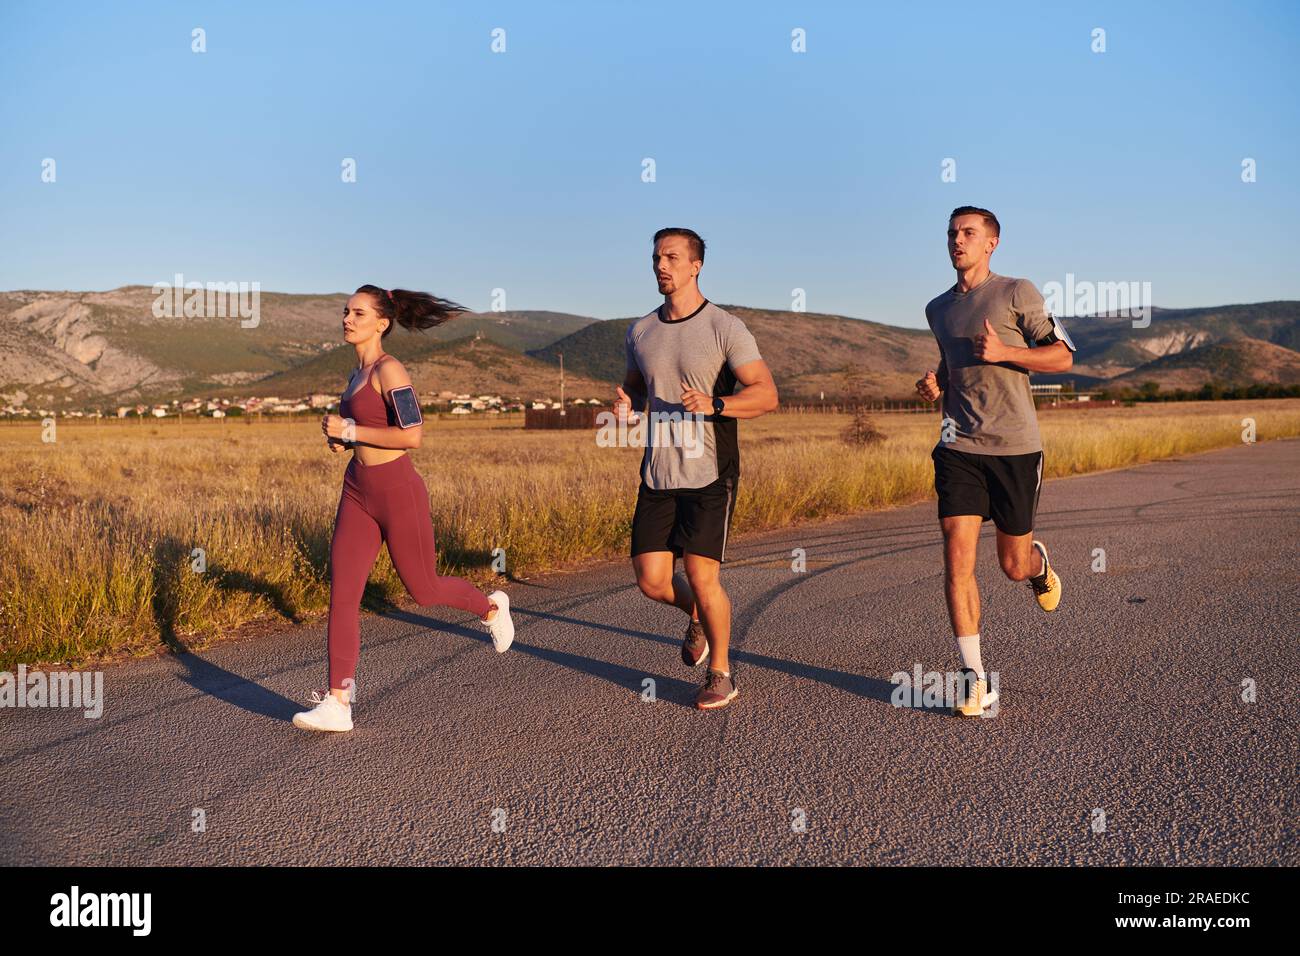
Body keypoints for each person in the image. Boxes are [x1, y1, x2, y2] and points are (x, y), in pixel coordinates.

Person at [293, 285, 514, 733]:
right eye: (345, 311)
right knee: (344, 592)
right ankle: (339, 702)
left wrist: (351, 429)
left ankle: (490, 607)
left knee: (424, 589)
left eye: (358, 313)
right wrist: (339, 439)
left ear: (382, 322)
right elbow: (360, 434)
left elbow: (412, 435)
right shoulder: (354, 377)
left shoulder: (389, 370)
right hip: (357, 490)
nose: (347, 319)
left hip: (397, 491)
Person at [915, 207, 1076, 717]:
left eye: (968, 234)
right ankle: (974, 677)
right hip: (958, 447)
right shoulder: (937, 308)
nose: (957, 241)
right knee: (956, 555)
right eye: (952, 233)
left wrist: (1007, 352)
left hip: (1015, 449)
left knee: (1011, 564)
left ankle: (1038, 567)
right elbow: (952, 361)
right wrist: (936, 382)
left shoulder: (1016, 292)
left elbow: (1062, 357)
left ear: (992, 244)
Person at [616, 229, 779, 710]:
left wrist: (717, 403)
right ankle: (698, 619)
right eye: (655, 258)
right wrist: (629, 406)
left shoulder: (724, 327)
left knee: (703, 576)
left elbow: (766, 394)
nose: (661, 266)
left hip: (710, 472)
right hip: (658, 473)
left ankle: (722, 673)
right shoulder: (640, 331)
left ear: (696, 265)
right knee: (651, 580)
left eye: (671, 257)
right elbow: (636, 389)